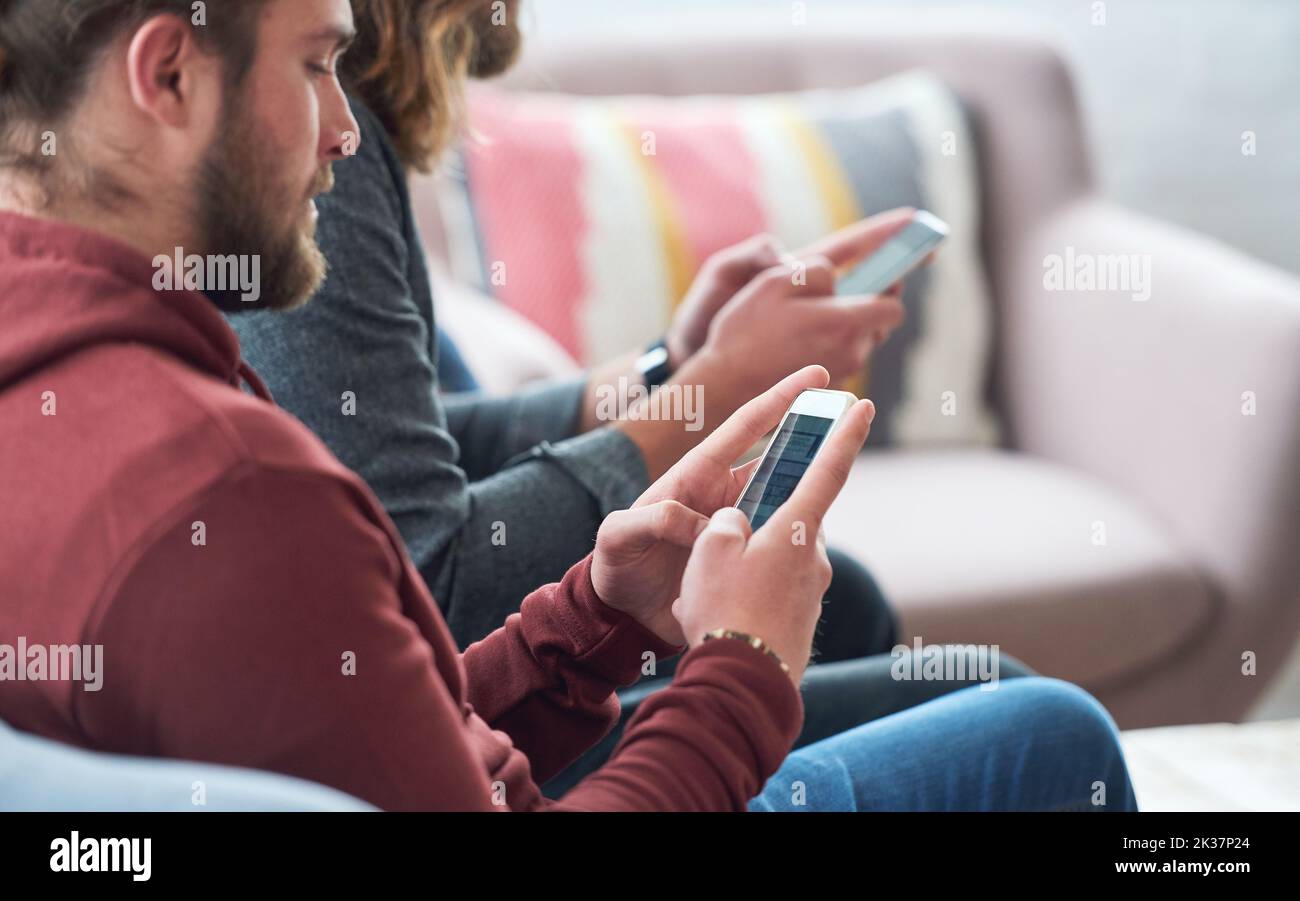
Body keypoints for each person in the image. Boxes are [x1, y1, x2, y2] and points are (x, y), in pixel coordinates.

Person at [0, 0, 1136, 813]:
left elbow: (379, 711)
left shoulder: (99, 372)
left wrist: (590, 612)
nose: (339, 126)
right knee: (1048, 735)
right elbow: (415, 573)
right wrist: (739, 659)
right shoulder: (242, 488)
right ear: (169, 78)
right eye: (310, 66)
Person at [225, 0, 1026, 792]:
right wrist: (719, 388)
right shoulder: (317, 151)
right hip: (445, 705)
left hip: (454, 706)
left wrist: (673, 367)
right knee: (1026, 714)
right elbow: (434, 579)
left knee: (843, 597)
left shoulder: (328, 131)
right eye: (310, 67)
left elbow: (403, 448)